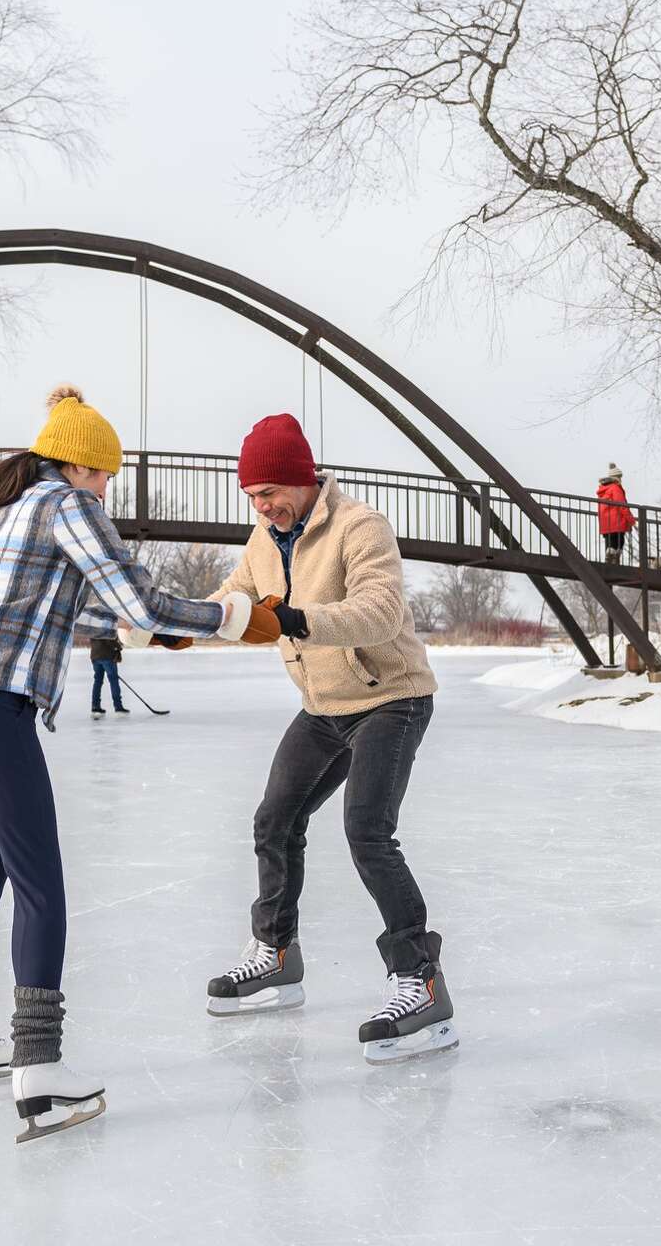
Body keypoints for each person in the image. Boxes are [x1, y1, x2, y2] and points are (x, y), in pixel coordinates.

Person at [0, 386, 283, 1141]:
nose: (108, 489)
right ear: (77, 464)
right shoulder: (70, 506)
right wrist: (234, 620)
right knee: (41, 883)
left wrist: (160, 635)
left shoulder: (4, 512)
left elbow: (68, 604)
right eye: (104, 474)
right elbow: (137, 601)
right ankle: (40, 1075)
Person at [203, 413, 457, 1064]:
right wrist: (160, 623)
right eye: (252, 498)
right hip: (324, 705)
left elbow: (380, 611)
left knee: (367, 829)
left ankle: (419, 980)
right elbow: (229, 603)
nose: (261, 509)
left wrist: (288, 618)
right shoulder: (263, 539)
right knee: (274, 819)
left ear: (301, 479)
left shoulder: (358, 527)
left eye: (269, 494)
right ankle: (277, 954)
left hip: (390, 698)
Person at [597, 464, 634, 565]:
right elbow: (622, 505)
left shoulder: (604, 490)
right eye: (620, 477)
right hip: (617, 522)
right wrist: (631, 520)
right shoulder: (616, 488)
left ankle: (610, 560)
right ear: (617, 478)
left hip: (606, 522)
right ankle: (614, 561)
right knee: (619, 543)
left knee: (610, 545)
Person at [89, 632, 128, 718]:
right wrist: (119, 646)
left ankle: (95, 706)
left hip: (95, 657)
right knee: (113, 681)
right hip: (107, 657)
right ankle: (118, 707)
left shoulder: (93, 626)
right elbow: (109, 640)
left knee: (97, 682)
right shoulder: (107, 624)